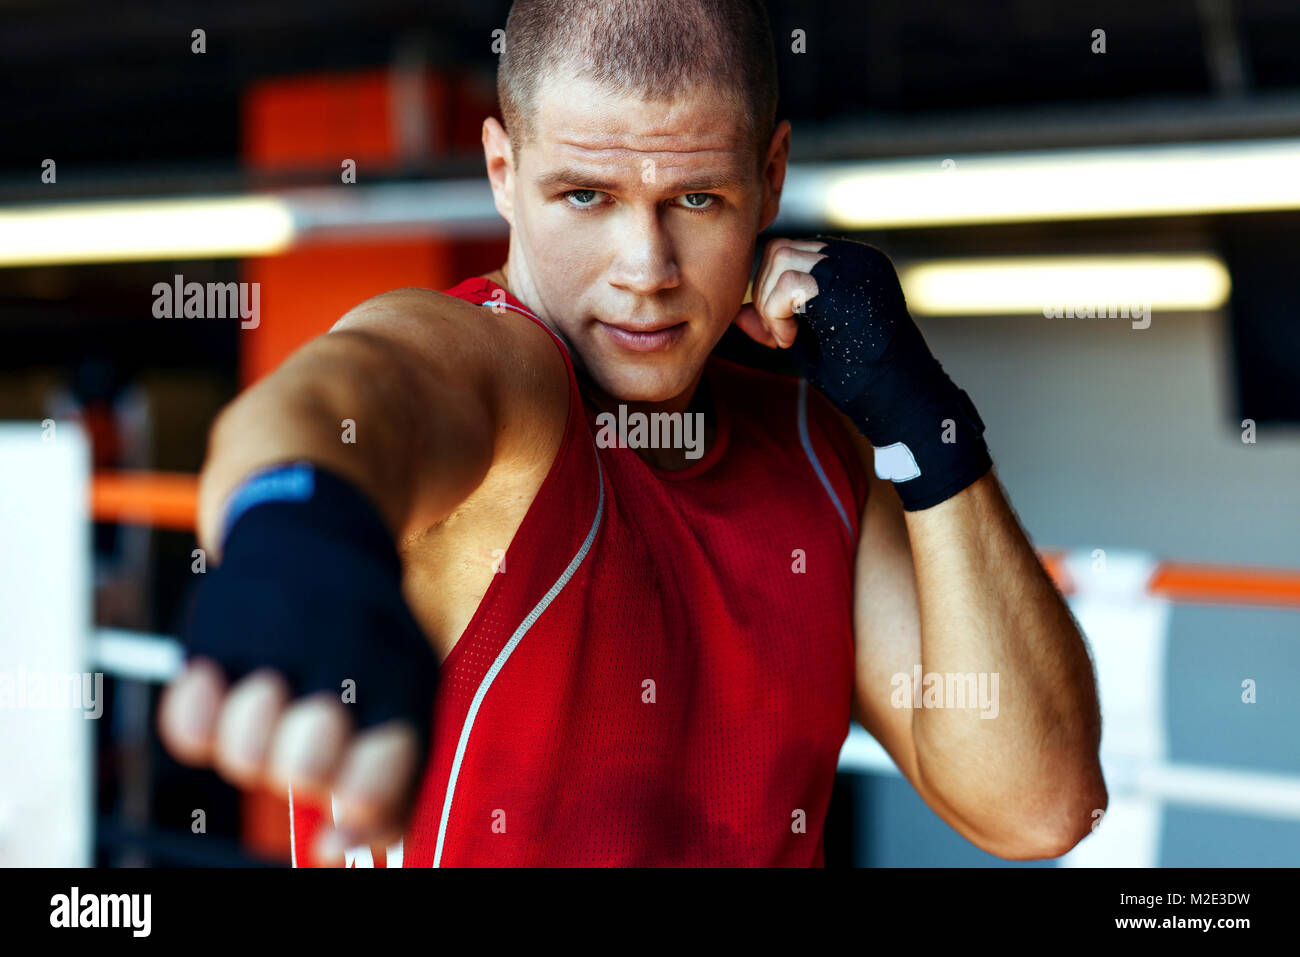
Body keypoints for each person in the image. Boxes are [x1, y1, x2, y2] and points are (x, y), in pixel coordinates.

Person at [158, 0, 1106, 866]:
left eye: (695, 200)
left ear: (769, 176)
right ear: (503, 172)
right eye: (586, 197)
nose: (644, 269)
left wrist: (921, 420)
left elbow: (1038, 804)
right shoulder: (506, 380)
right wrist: (295, 522)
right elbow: (349, 393)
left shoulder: (821, 453)